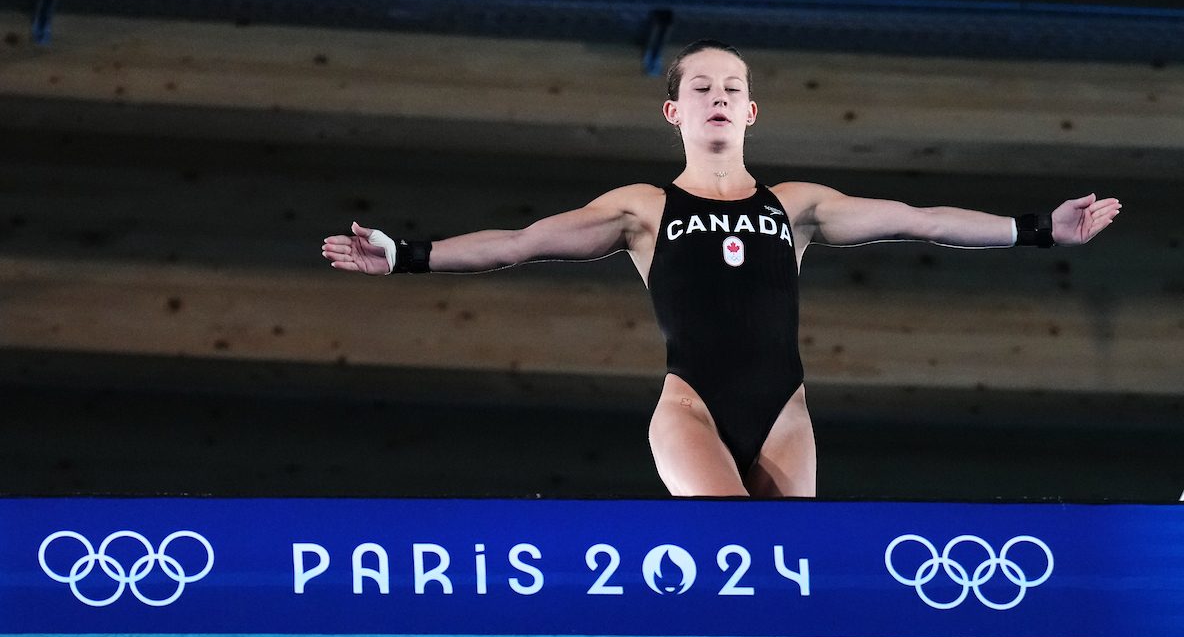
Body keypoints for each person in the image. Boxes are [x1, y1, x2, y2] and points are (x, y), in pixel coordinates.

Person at [321, 40, 1121, 499]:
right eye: (700, 86)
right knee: (729, 552)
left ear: (750, 111)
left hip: (786, 412)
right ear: (674, 111)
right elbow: (520, 242)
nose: (717, 95)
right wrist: (406, 255)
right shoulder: (642, 207)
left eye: (732, 87)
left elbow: (920, 221)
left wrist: (1036, 231)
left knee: (787, 583)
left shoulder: (797, 205)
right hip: (692, 406)